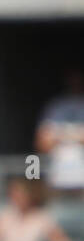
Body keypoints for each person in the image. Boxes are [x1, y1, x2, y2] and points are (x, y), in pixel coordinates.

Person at [35, 68, 84, 196]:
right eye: (72, 80)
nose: (75, 83)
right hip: (57, 179)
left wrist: (60, 135)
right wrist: (77, 136)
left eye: (78, 80)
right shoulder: (55, 107)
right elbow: (42, 143)